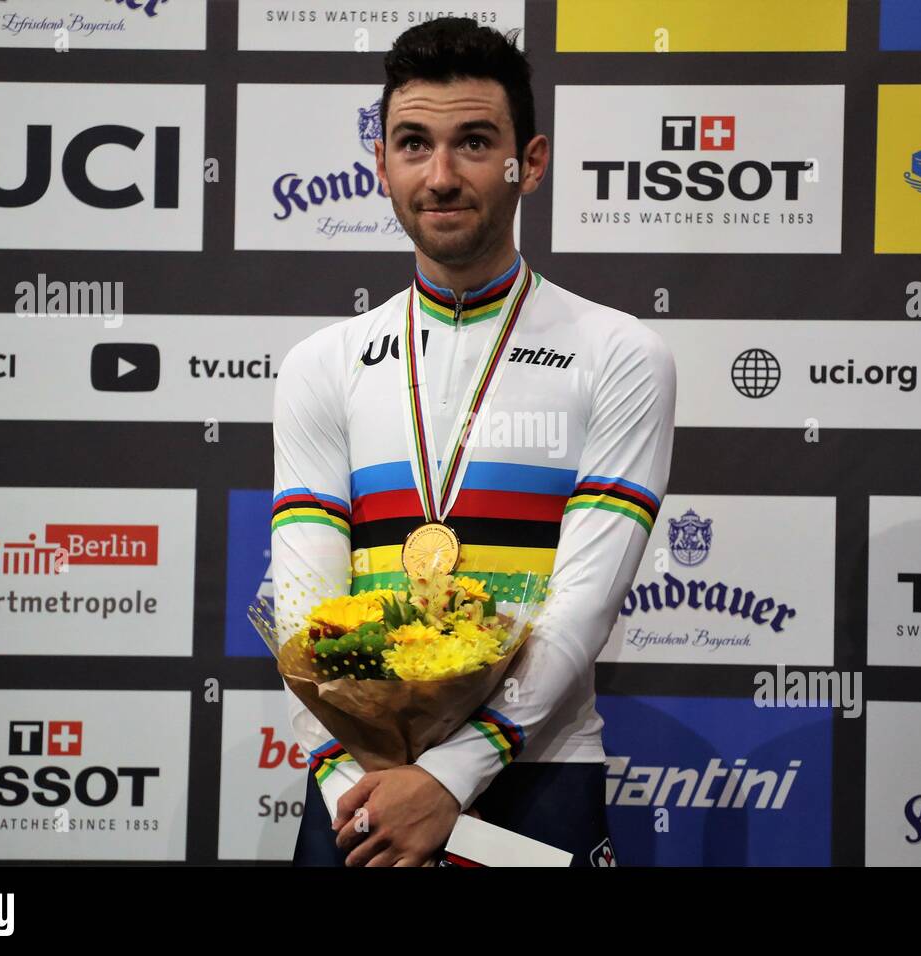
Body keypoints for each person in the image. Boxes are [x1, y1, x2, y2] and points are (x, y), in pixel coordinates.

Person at [272, 17, 676, 867]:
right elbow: (305, 616)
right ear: (380, 164)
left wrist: (452, 775)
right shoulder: (321, 364)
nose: (442, 174)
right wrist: (371, 774)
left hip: (536, 771)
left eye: (474, 142)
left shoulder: (619, 352)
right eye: (414, 143)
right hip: (358, 785)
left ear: (527, 161)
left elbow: (583, 602)